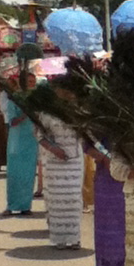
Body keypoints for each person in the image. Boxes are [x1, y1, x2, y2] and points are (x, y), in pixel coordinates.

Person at [37, 94, 84, 250]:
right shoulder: (46, 113)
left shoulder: (79, 111)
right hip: (54, 161)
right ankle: (59, 238)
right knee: (57, 199)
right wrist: (54, 149)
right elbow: (40, 136)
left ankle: (75, 237)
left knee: (73, 198)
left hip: (74, 161)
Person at [85, 140, 126, 266]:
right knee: (105, 227)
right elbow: (86, 144)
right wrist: (102, 157)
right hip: (104, 178)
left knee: (125, 226)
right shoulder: (96, 128)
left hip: (127, 175)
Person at [2, 72, 38, 216]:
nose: (32, 84)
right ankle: (11, 205)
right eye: (29, 81)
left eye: (33, 81)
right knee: (14, 174)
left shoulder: (37, 99)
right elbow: (12, 121)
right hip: (17, 141)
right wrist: (24, 115)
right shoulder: (15, 98)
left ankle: (26, 206)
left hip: (31, 140)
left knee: (28, 174)